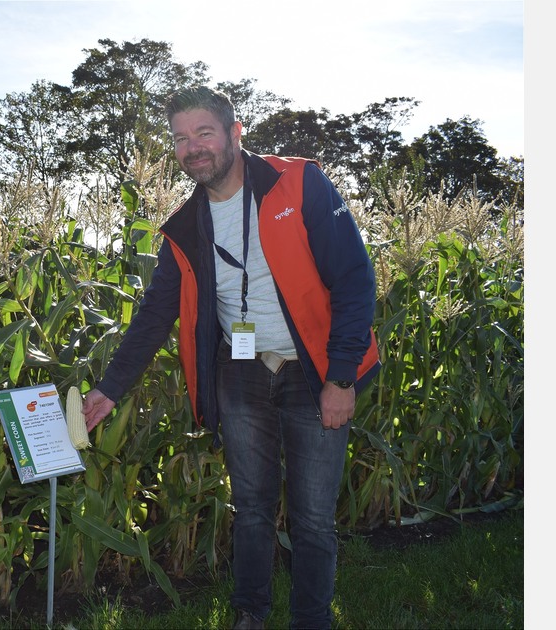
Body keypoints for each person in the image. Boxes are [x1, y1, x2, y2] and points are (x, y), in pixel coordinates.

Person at [81, 86, 381, 630]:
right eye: (180, 138)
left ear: (235, 133)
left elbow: (355, 279)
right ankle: (250, 614)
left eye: (204, 132)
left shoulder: (299, 182)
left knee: (313, 517)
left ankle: (312, 621)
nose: (192, 147)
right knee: (252, 508)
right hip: (241, 374)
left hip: (313, 372)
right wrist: (109, 389)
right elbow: (154, 315)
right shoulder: (184, 226)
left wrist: (341, 379)